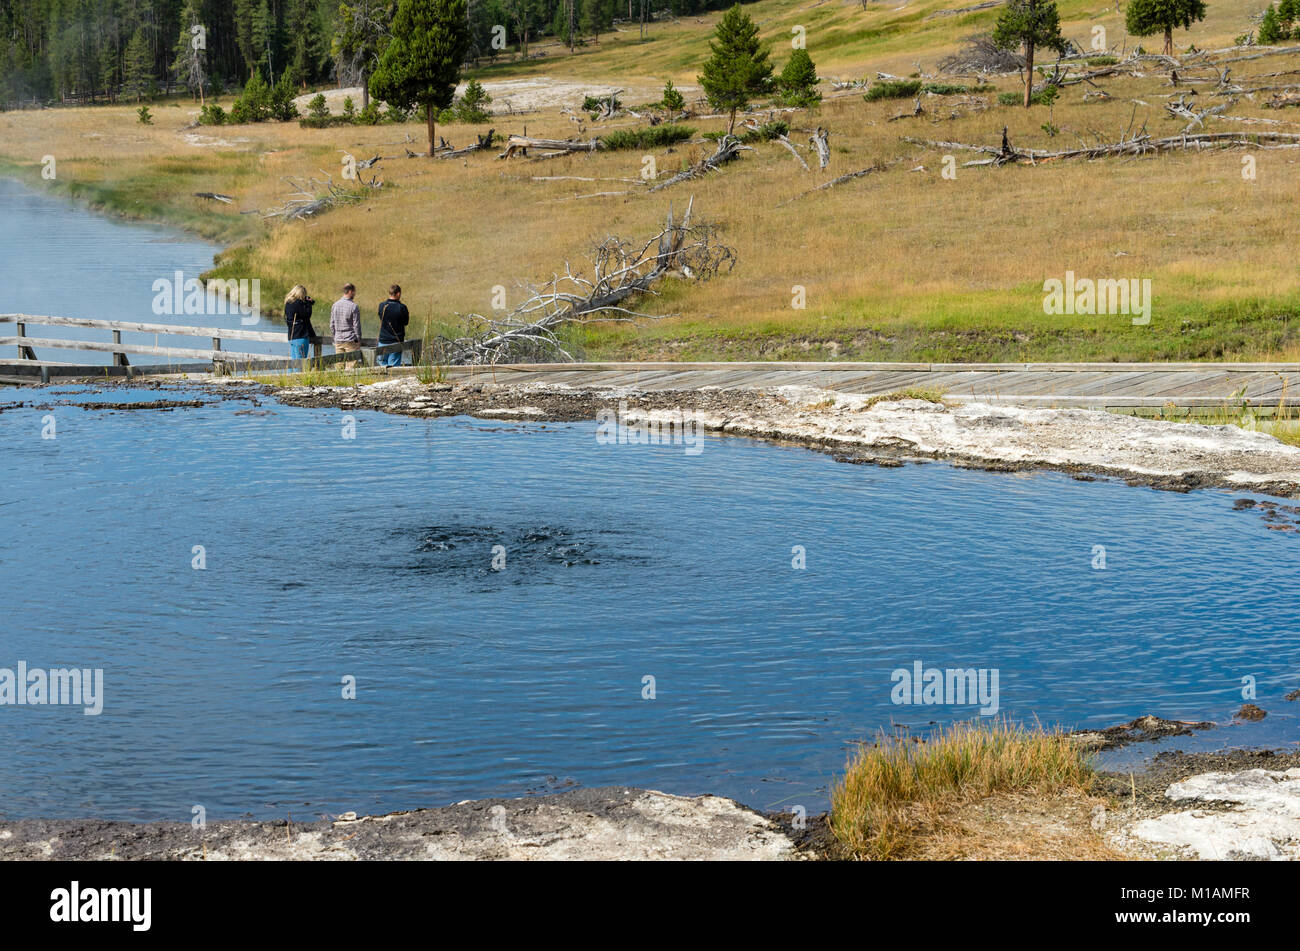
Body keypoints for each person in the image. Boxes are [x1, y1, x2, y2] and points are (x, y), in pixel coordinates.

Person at [330, 283, 362, 369]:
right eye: (354, 292)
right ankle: (349, 382)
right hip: (350, 340)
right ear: (350, 291)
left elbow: (332, 325)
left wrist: (335, 335)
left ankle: (338, 382)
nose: (355, 294)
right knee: (351, 366)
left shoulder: (335, 305)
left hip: (338, 340)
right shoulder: (353, 306)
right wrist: (358, 339)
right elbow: (356, 326)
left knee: (339, 365)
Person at [377, 284, 409, 367]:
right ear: (398, 294)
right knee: (394, 367)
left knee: (382, 366)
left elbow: (381, 318)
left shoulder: (382, 306)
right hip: (396, 341)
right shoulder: (402, 308)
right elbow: (406, 322)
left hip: (383, 341)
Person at [284, 285, 319, 360]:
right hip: (300, 336)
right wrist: (309, 304)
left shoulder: (288, 303)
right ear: (301, 294)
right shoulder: (298, 304)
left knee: (293, 362)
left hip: (292, 336)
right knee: (300, 362)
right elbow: (307, 315)